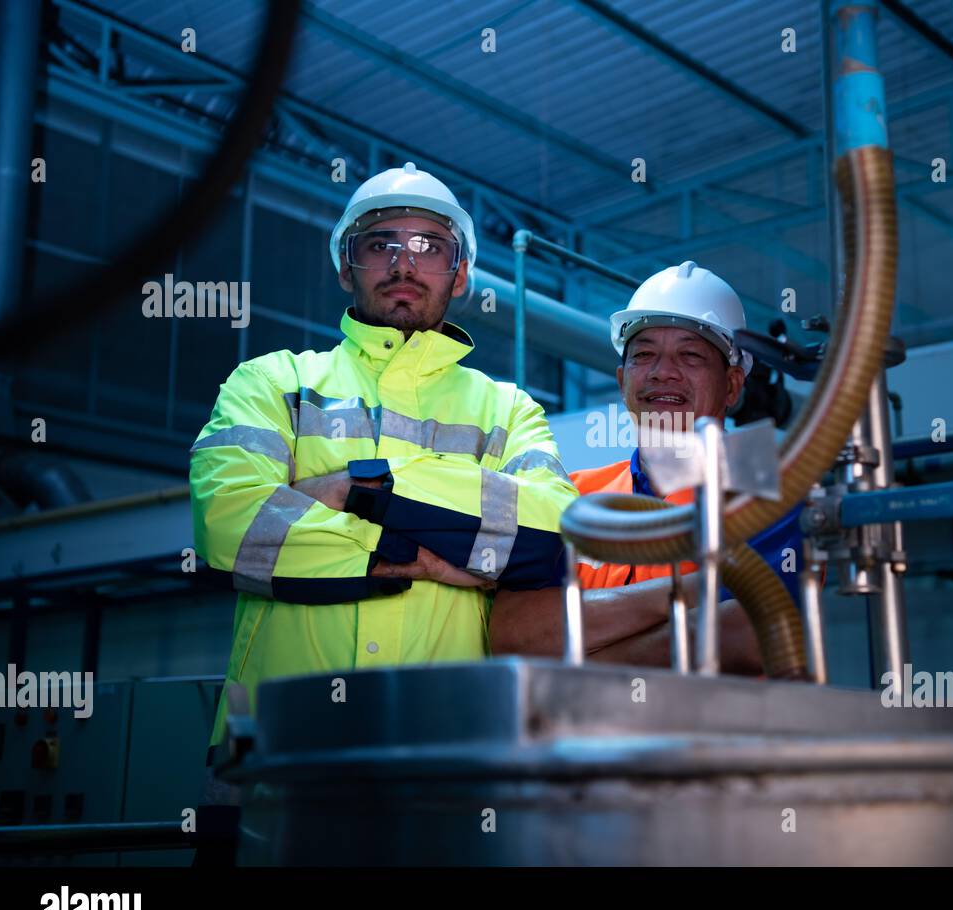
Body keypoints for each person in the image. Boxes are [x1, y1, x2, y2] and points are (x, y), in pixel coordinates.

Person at [189, 162, 578, 762]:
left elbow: (553, 538)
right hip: (277, 746)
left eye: (429, 247)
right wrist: (439, 550)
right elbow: (232, 524)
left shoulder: (508, 409)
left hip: (449, 751)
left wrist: (362, 489)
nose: (404, 264)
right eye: (380, 246)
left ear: (461, 273)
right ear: (345, 267)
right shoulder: (272, 381)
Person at [488, 261, 805, 673]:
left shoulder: (767, 483)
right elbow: (511, 634)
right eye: (644, 355)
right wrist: (686, 594)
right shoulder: (574, 494)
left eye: (690, 355)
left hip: (719, 734)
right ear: (622, 381)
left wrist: (578, 653)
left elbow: (748, 631)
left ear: (731, 386)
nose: (662, 372)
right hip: (585, 735)